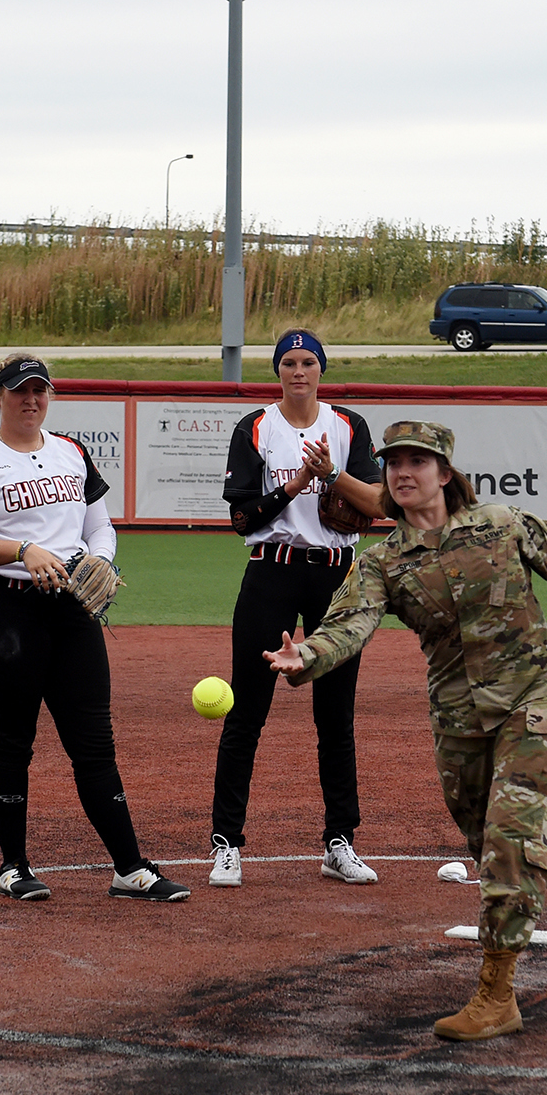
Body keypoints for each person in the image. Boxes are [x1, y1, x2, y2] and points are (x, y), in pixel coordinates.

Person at [263, 420, 547, 1042]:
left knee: (509, 838)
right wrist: (309, 657)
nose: (403, 473)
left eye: (417, 462)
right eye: (392, 463)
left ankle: (496, 994)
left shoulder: (504, 525)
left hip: (541, 695)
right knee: (491, 839)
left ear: (445, 473)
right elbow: (348, 623)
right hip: (459, 715)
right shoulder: (382, 563)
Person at [0, 354, 189, 903]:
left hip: (71, 608)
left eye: (40, 391)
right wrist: (23, 549)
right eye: (20, 390)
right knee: (12, 739)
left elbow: (99, 524)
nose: (31, 400)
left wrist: (101, 561)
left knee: (94, 743)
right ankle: (14, 866)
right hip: (2, 609)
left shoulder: (71, 452)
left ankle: (129, 868)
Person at [209, 329, 387, 889]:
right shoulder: (256, 427)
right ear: (278, 371)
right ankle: (226, 845)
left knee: (336, 718)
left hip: (338, 578)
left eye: (308, 361)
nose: (299, 371)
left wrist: (333, 475)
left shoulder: (349, 426)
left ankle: (340, 842)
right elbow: (242, 519)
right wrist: (298, 484)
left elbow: (377, 505)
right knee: (247, 713)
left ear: (321, 370)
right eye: (289, 362)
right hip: (273, 572)